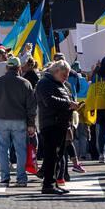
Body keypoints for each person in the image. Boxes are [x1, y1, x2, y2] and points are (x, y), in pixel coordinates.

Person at [0, 55, 36, 188]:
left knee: (2, 149)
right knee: (20, 150)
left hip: (1, 118)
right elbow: (31, 106)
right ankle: (21, 178)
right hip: (19, 119)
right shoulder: (25, 83)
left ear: (7, 67)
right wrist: (31, 123)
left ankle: (4, 178)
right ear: (19, 68)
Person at [35, 60, 77, 194]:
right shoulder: (45, 83)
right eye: (64, 75)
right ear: (57, 71)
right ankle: (48, 184)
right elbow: (49, 101)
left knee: (57, 156)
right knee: (52, 155)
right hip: (51, 124)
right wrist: (68, 104)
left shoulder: (59, 83)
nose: (66, 78)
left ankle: (52, 182)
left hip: (59, 123)